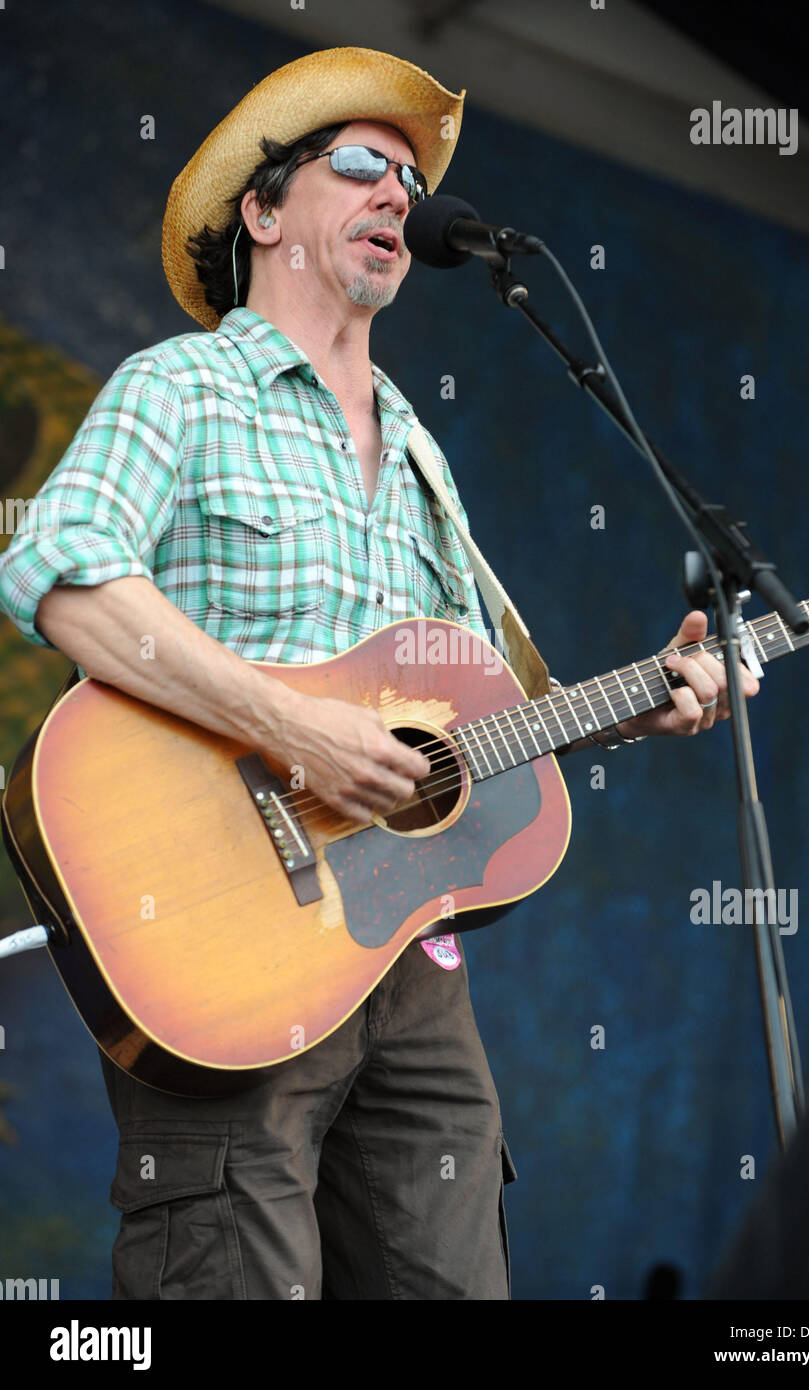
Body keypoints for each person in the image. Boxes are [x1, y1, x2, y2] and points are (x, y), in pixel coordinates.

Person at [0, 47, 758, 1300]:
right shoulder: (184, 388)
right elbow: (59, 572)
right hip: (225, 947)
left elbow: (494, 711)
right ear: (259, 212)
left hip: (408, 964)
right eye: (359, 165)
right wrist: (292, 729)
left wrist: (649, 701)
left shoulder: (418, 448)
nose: (398, 192)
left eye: (408, 177)